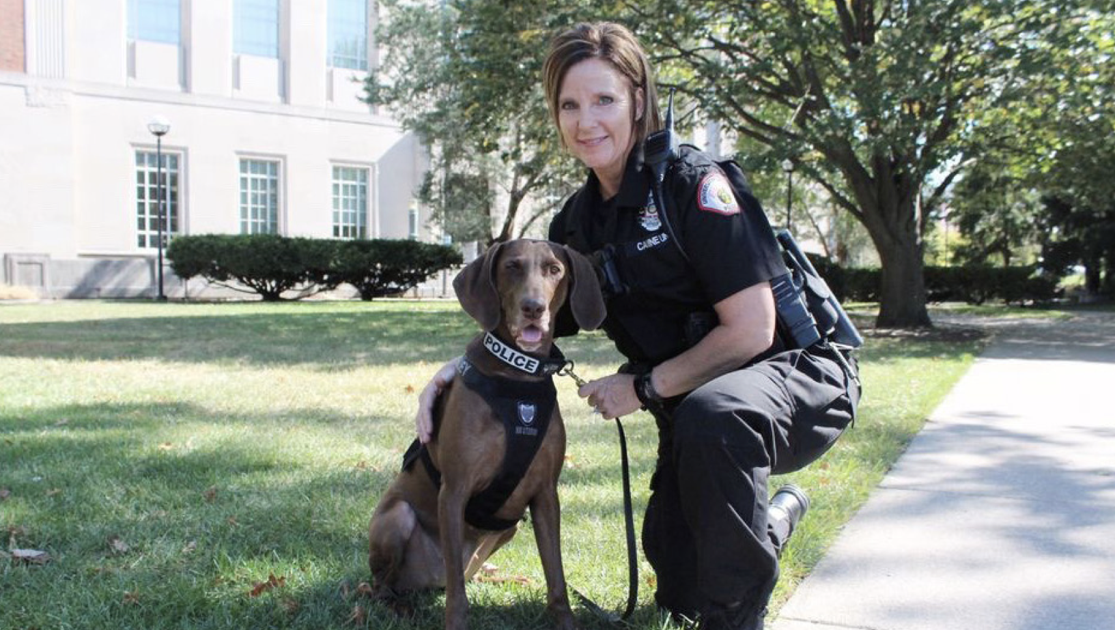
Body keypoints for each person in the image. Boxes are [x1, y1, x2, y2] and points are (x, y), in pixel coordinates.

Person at [416, 22, 860, 630]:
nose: (586, 120)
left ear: (638, 101)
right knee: (679, 580)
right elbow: (531, 322)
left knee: (715, 419)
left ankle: (737, 618)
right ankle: (771, 524)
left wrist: (643, 388)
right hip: (700, 407)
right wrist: (457, 373)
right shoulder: (577, 225)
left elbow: (752, 330)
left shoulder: (694, 185)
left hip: (798, 377)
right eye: (569, 104)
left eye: (604, 100)